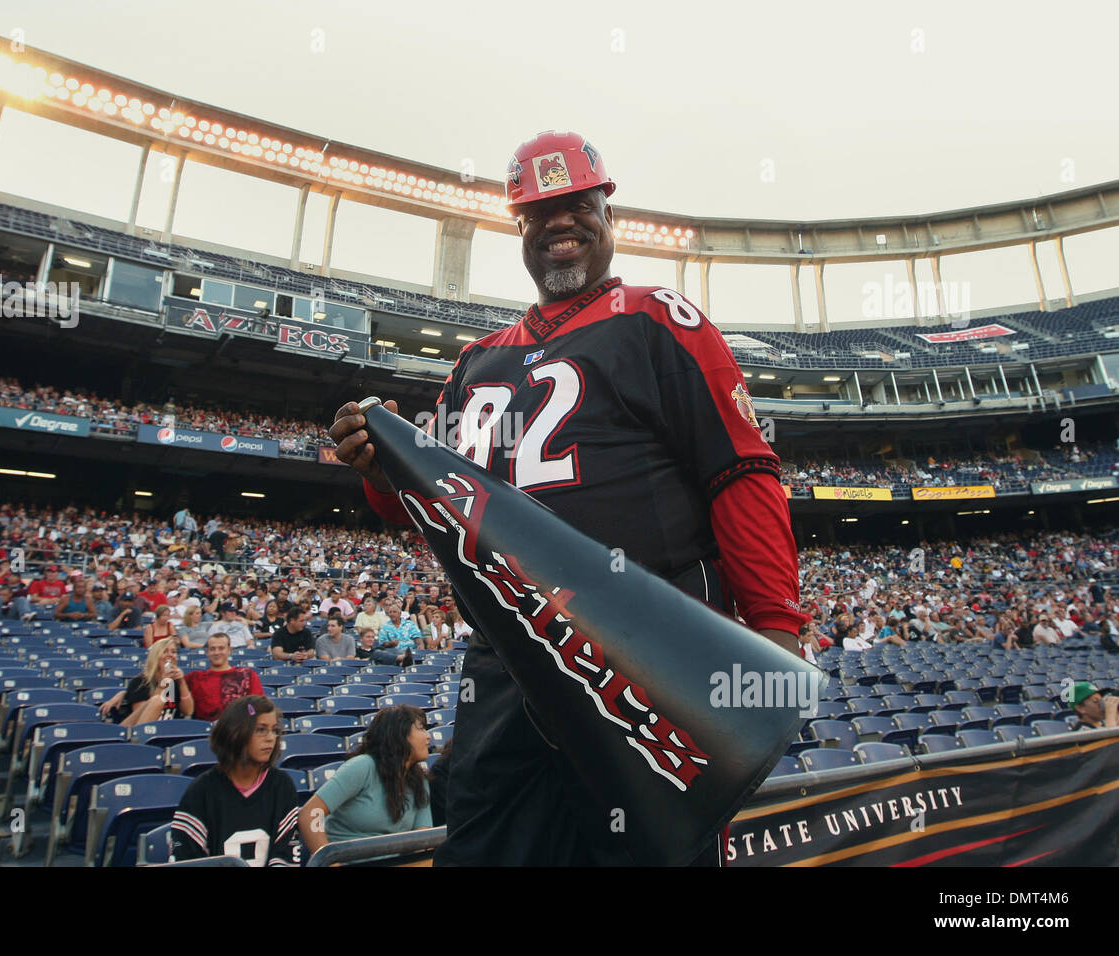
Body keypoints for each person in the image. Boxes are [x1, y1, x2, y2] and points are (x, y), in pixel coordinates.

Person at [328, 132, 805, 867]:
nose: (561, 224)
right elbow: (419, 502)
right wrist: (375, 465)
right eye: (541, 213)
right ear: (518, 228)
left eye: (578, 205)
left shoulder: (658, 322)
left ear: (608, 213)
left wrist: (774, 630)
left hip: (647, 663)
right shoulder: (475, 362)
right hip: (509, 669)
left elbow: (738, 473)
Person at [170, 695, 300, 865]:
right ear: (235, 733)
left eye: (274, 730)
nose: (270, 738)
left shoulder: (282, 785)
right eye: (261, 729)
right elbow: (187, 858)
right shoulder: (201, 792)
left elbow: (285, 855)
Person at [299, 705, 432, 857]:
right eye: (421, 729)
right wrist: (328, 859)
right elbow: (310, 813)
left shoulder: (420, 781)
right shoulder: (363, 766)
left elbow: (423, 836)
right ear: (399, 734)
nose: (428, 736)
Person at [102, 638, 193, 726]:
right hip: (145, 730)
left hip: (168, 730)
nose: (170, 655)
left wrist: (182, 682)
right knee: (157, 700)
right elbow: (143, 718)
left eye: (173, 652)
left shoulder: (175, 682)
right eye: (165, 651)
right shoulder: (140, 682)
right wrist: (162, 685)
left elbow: (188, 711)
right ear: (155, 656)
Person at [184, 632, 266, 722]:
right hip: (205, 732)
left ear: (229, 650)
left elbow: (257, 707)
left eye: (221, 648)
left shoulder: (247, 675)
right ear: (207, 652)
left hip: (240, 730)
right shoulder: (195, 678)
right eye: (212, 649)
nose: (216, 652)